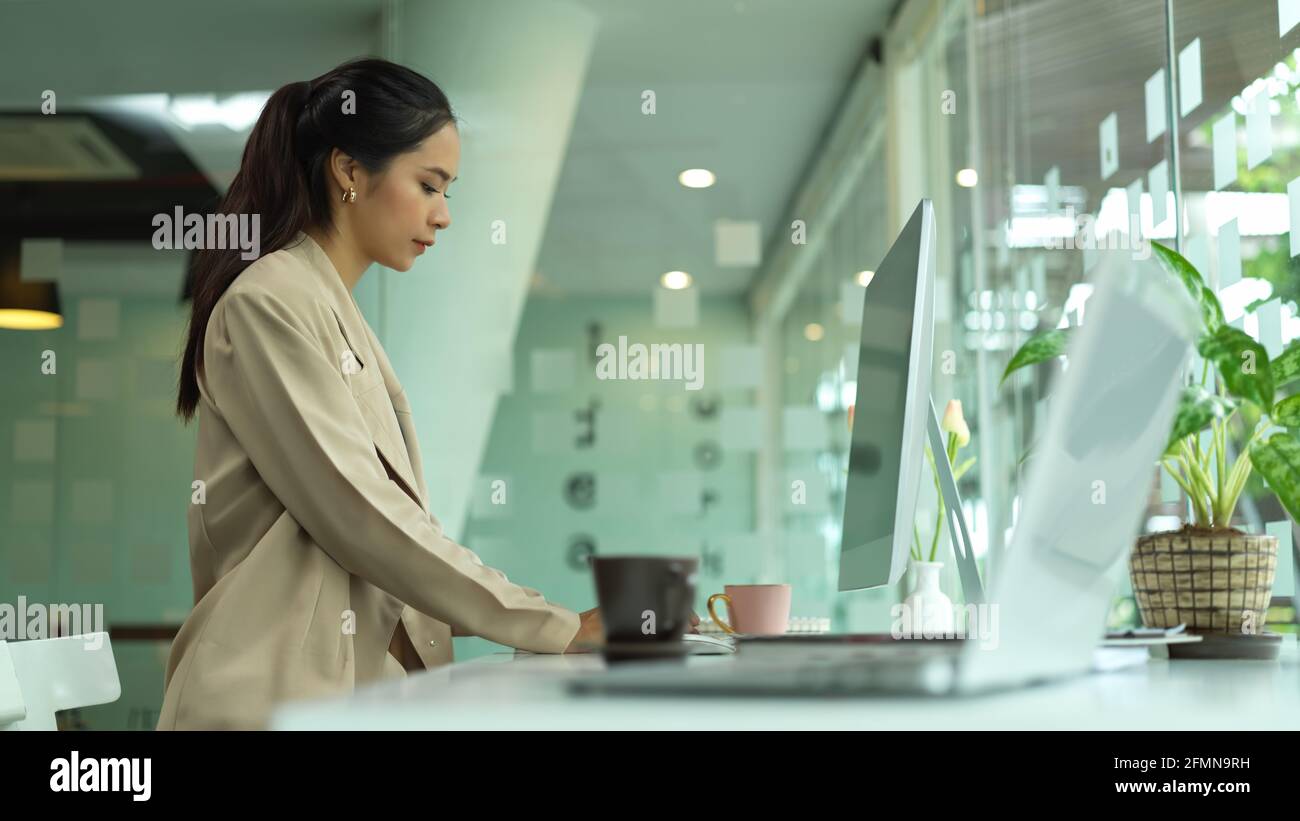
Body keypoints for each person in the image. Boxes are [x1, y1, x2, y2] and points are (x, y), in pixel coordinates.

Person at [159, 58, 625, 730]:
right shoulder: (270, 300)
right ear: (349, 171)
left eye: (449, 191)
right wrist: (552, 625)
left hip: (343, 696)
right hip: (269, 703)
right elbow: (364, 516)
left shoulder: (326, 306)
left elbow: (380, 534)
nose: (443, 216)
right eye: (429, 185)